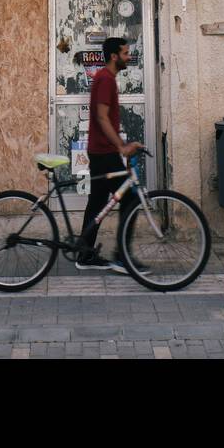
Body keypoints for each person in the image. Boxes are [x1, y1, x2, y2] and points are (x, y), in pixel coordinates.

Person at [76, 36, 142, 273]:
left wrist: (122, 145)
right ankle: (122, 257)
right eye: (125, 53)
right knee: (131, 200)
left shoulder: (106, 78)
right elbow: (102, 118)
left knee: (96, 203)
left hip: (100, 151)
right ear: (114, 56)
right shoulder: (105, 79)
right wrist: (121, 147)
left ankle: (84, 253)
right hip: (104, 153)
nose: (128, 56)